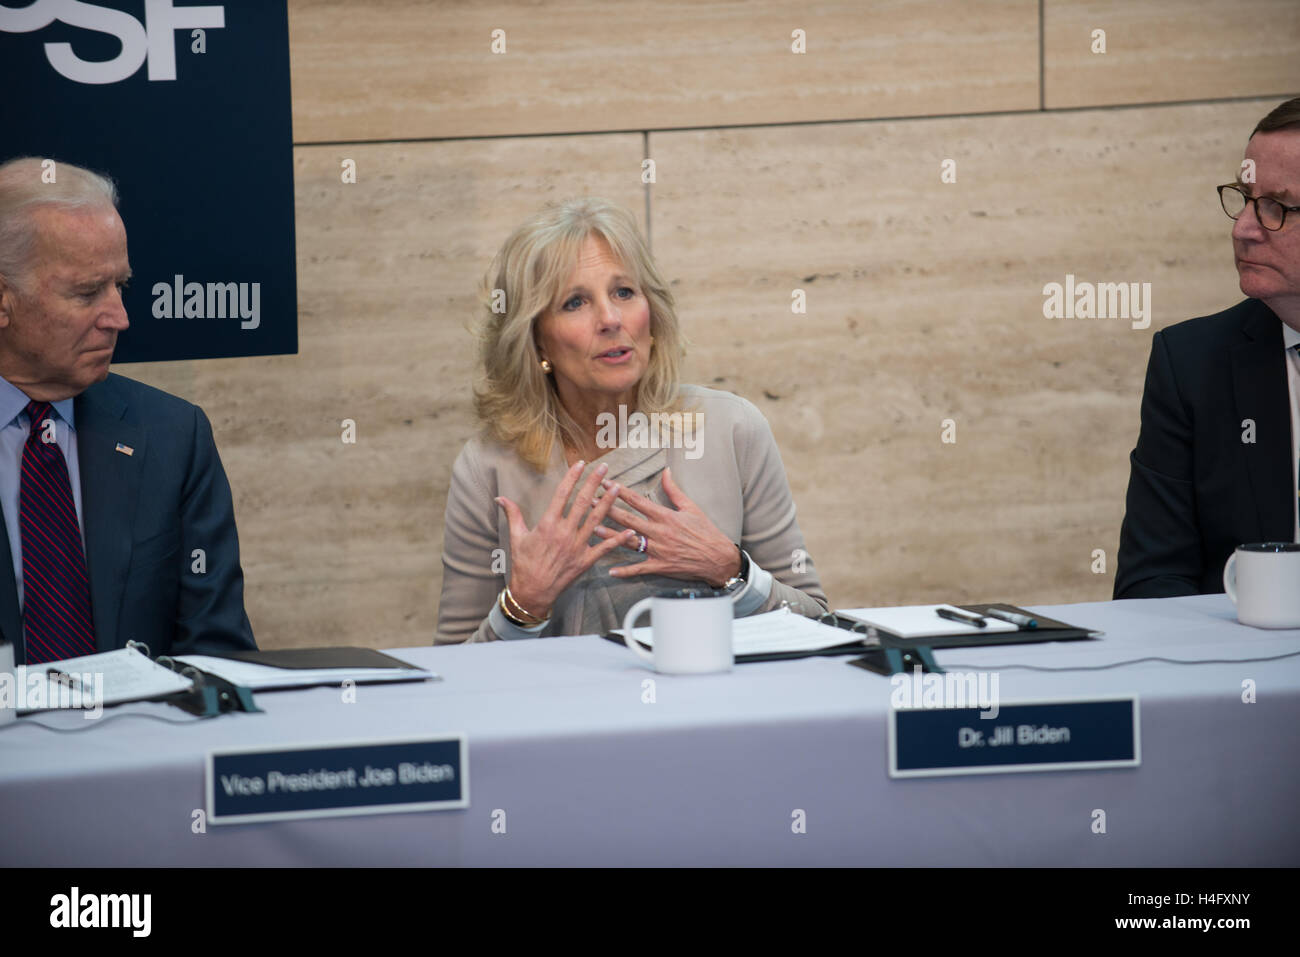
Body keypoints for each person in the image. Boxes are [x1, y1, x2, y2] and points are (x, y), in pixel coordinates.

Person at [436, 198, 828, 642]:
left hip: (715, 707)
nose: (610, 319)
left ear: (652, 313)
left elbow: (817, 623)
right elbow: (452, 669)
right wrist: (523, 605)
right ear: (536, 342)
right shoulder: (488, 465)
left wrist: (730, 570)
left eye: (624, 292)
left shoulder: (732, 428)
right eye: (575, 302)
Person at [0, 156, 256, 664]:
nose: (119, 317)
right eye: (87, 292)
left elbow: (217, 653)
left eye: (121, 286)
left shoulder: (172, 436)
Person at [1115, 98, 1300, 599]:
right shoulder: (1193, 363)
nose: (1243, 228)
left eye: (1276, 208)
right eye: (1244, 199)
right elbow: (1150, 582)